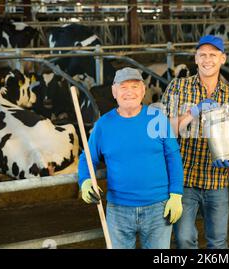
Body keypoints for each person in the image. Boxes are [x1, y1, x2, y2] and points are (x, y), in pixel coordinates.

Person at [78, 67, 184, 249]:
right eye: (123, 87)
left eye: (135, 86)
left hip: (158, 208)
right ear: (114, 92)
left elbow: (173, 158)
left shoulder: (157, 119)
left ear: (143, 90)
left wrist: (176, 195)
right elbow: (87, 158)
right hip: (118, 209)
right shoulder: (103, 125)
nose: (129, 92)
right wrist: (85, 181)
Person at [161, 35, 229, 249]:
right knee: (184, 239)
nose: (208, 60)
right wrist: (192, 113)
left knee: (218, 241)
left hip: (216, 180)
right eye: (203, 55)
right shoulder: (177, 87)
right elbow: (164, 130)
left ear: (223, 59)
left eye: (213, 55)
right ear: (196, 59)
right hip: (184, 180)